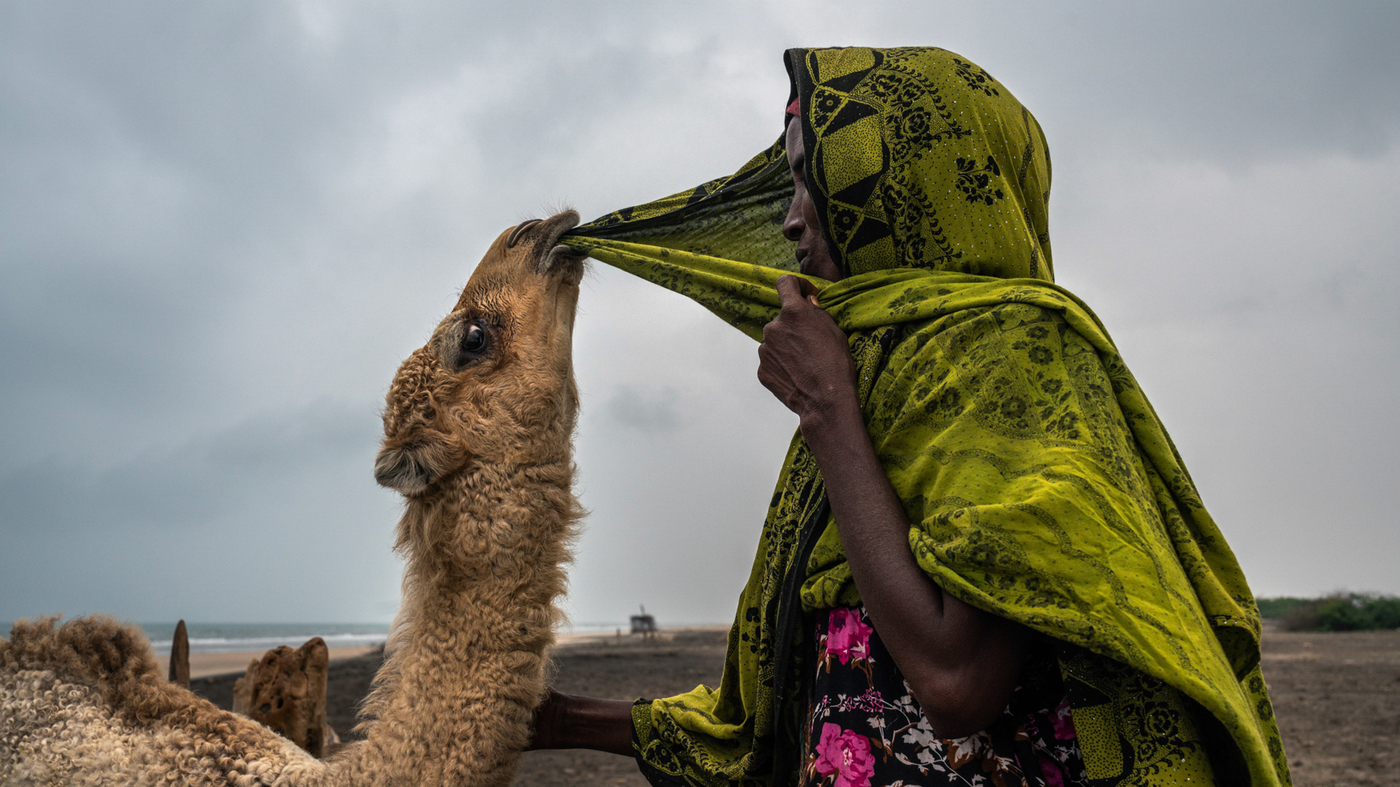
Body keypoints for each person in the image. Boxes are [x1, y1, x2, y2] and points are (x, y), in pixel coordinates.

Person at [534, 47, 1292, 787]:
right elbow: (792, 714)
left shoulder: (1009, 359)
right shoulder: (884, 385)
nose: (791, 222)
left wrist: (826, 411)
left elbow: (954, 682)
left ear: (900, 184)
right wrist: (560, 719)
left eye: (809, 183)